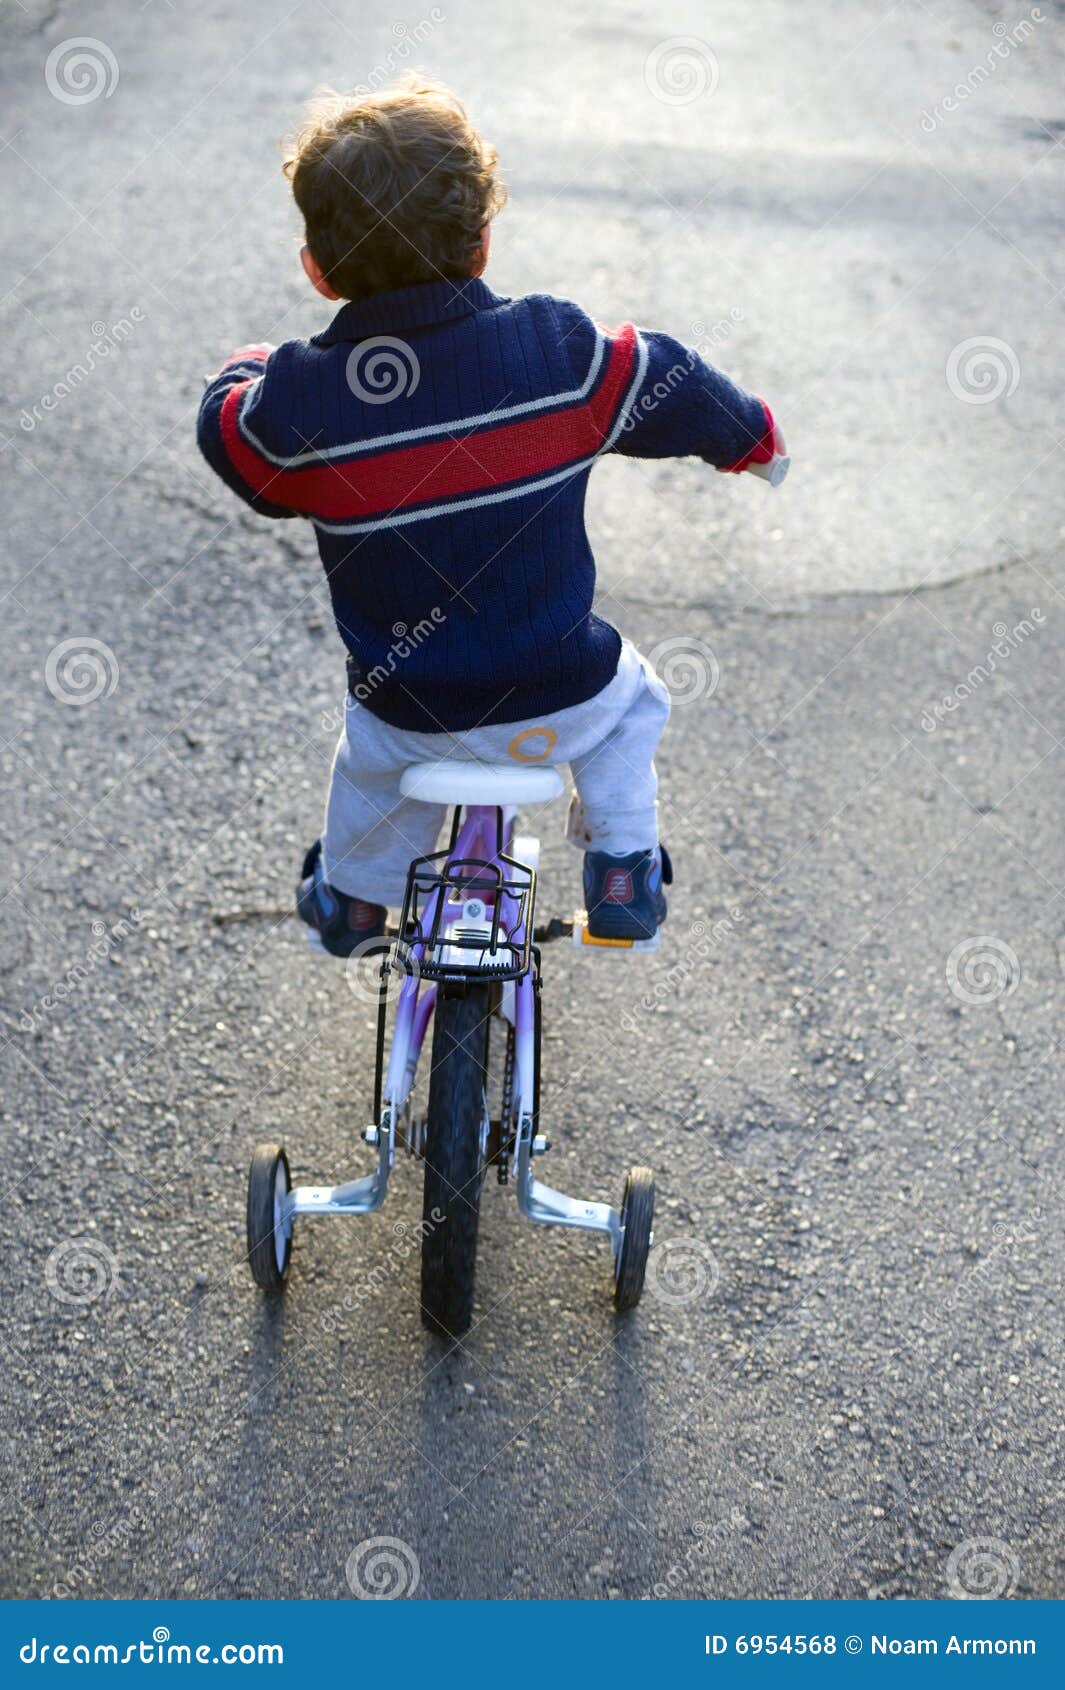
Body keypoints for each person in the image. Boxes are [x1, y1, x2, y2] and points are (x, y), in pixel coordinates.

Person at [197, 76, 783, 956]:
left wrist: (243, 371)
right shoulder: (559, 350)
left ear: (317, 271)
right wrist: (751, 439)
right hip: (561, 691)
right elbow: (673, 381)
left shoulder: (300, 403)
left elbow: (233, 441)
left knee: (368, 775)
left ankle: (355, 902)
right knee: (635, 707)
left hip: (409, 705)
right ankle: (622, 870)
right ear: (480, 244)